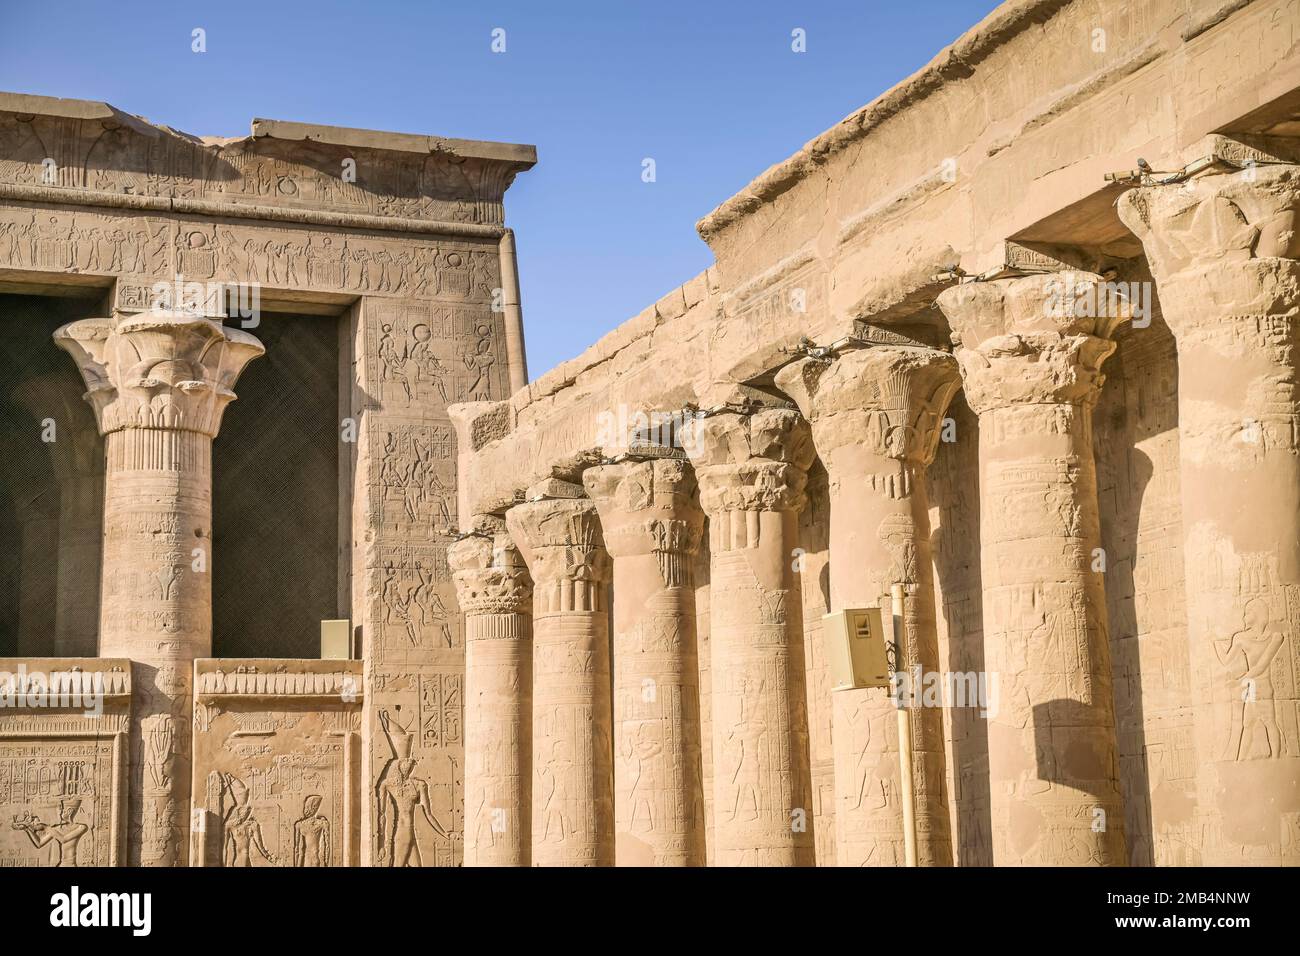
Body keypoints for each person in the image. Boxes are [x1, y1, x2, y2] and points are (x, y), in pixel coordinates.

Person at [12, 799, 89, 866]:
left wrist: (46, 828)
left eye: (62, 809)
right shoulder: (57, 828)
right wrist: (27, 828)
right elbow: (39, 843)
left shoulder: (81, 827)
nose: (60, 811)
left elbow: (63, 839)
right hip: (62, 864)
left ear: (69, 811)